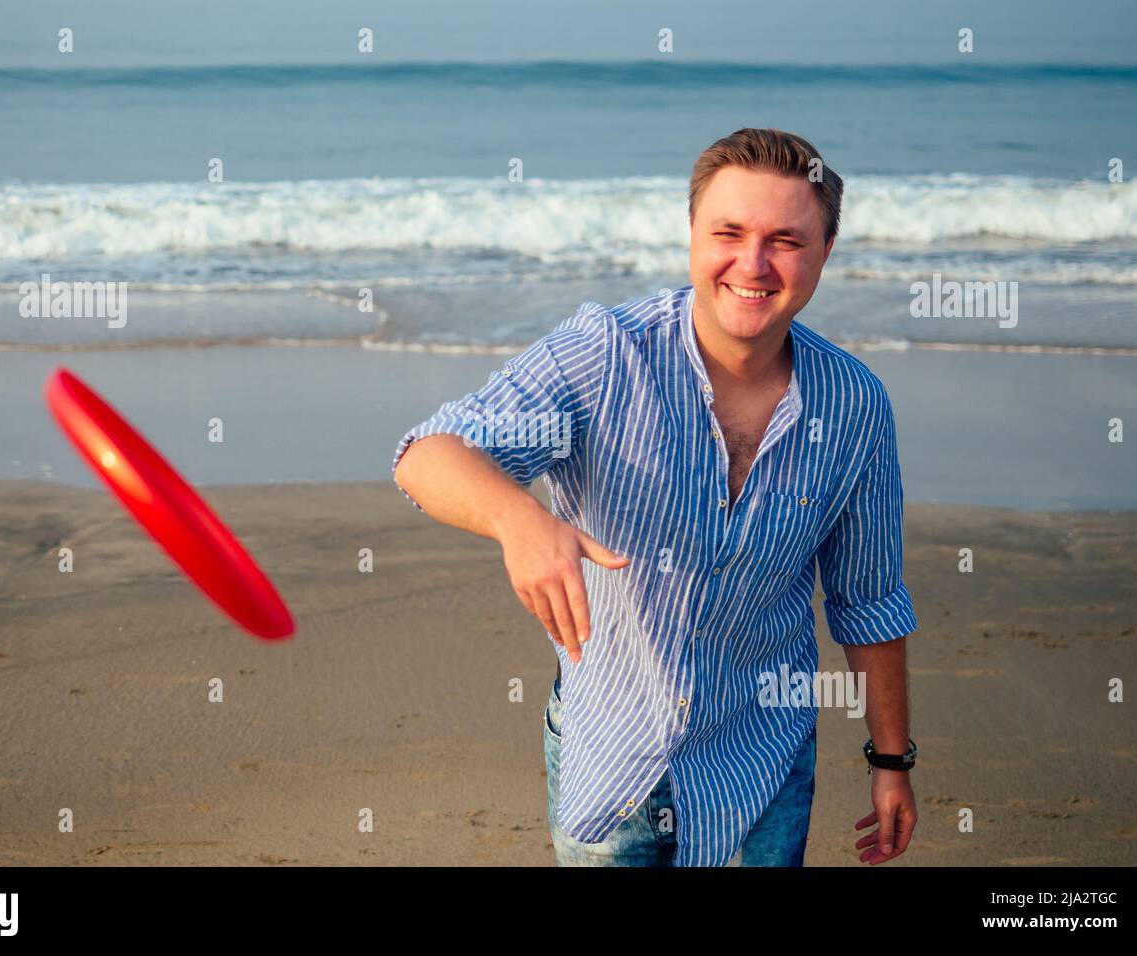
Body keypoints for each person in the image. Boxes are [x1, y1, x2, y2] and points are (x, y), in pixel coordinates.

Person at [391, 128, 919, 867]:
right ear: (693, 237)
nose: (753, 263)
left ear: (825, 252)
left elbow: (867, 601)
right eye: (728, 233)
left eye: (785, 240)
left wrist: (891, 764)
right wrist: (520, 519)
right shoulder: (606, 356)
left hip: (763, 763)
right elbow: (428, 453)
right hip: (614, 766)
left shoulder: (856, 404)